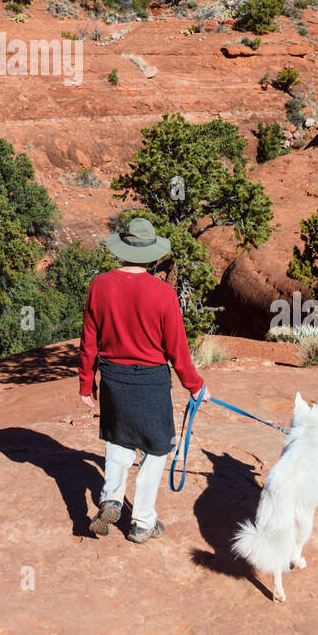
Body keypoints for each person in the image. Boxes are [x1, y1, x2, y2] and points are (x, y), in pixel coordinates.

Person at [79, 216, 208, 543]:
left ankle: (111, 497)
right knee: (156, 450)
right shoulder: (163, 293)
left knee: (119, 441)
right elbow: (177, 348)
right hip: (150, 382)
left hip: (112, 378)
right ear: (151, 255)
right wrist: (195, 386)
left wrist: (85, 383)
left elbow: (88, 341)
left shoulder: (100, 286)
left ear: (121, 251)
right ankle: (142, 522)